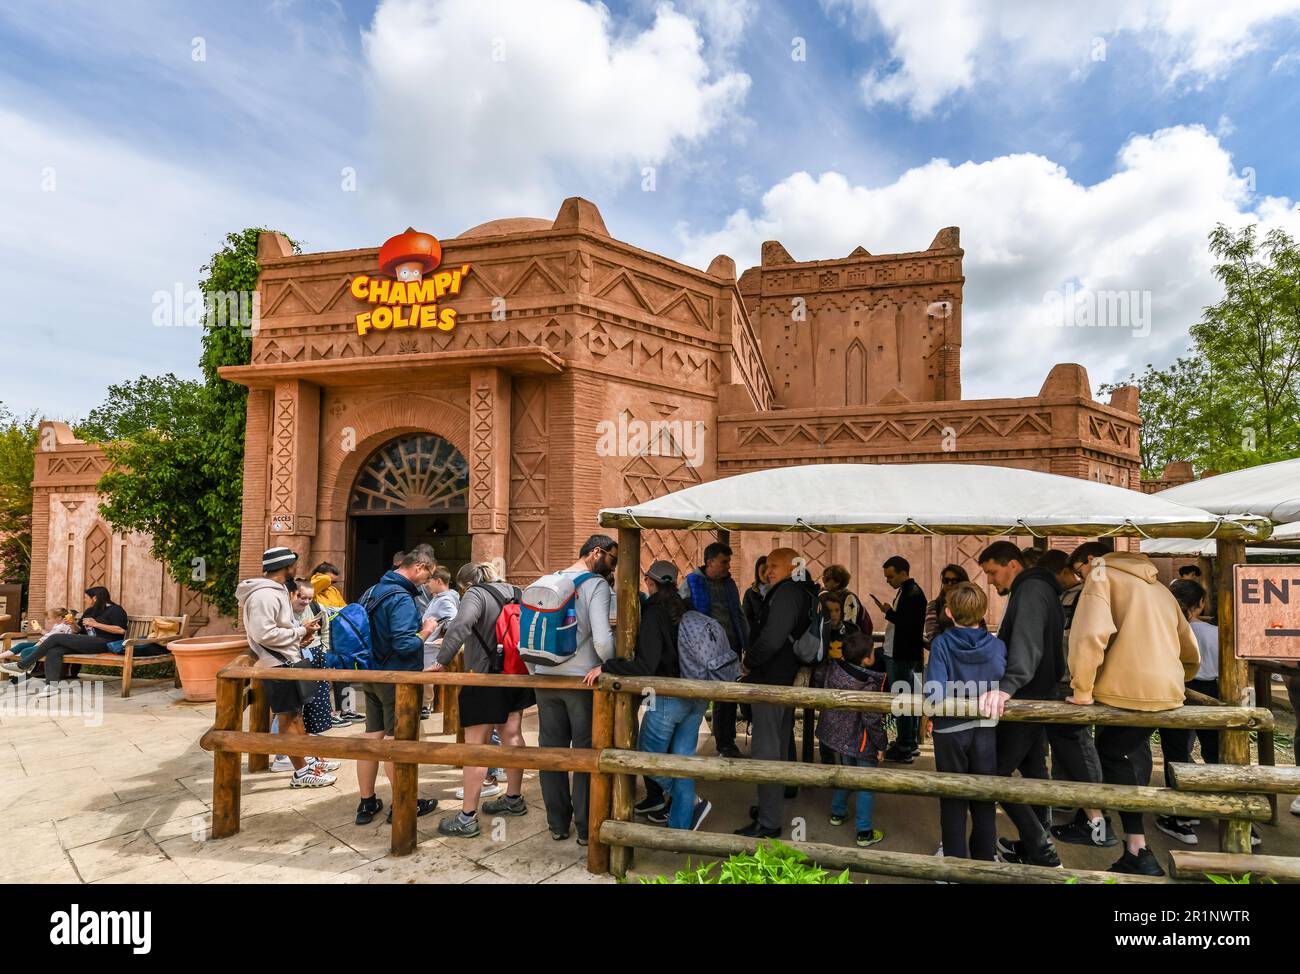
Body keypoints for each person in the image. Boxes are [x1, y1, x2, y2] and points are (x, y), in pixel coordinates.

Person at [1067, 549, 1200, 876]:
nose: (1078, 577)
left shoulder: (1100, 573)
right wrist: (1180, 676)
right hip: (1166, 688)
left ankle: (1136, 847)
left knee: (1110, 755)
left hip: (1127, 688)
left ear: (1090, 561)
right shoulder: (1159, 588)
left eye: (1077, 570)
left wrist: (1081, 689)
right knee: (1113, 753)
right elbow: (1189, 646)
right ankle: (1133, 844)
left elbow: (1089, 633)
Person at [587, 560, 713, 831]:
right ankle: (680, 828)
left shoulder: (654, 613)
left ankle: (690, 800)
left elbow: (645, 666)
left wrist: (607, 666)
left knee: (647, 757)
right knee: (682, 762)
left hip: (667, 697)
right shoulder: (686, 609)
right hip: (698, 694)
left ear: (649, 581)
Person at [975, 541, 1063, 868]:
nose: (990, 580)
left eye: (993, 572)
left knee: (993, 772)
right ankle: (1035, 844)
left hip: (1026, 696)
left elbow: (1026, 647)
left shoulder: (1029, 592)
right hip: (1039, 694)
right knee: (1035, 771)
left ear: (1013, 565)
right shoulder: (1040, 589)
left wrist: (1007, 686)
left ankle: (1042, 850)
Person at [432, 562, 531, 837]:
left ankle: (467, 817)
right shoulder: (515, 590)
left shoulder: (475, 595)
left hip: (484, 678)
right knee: (512, 736)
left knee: (476, 747)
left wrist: (441, 661)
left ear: (464, 584)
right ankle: (513, 799)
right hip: (515, 674)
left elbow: (462, 625)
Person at [531, 535, 618, 845]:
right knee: (583, 754)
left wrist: (537, 671)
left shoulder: (546, 579)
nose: (613, 566)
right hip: (582, 681)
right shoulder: (596, 586)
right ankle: (584, 828)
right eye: (612, 558)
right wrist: (612, 664)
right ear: (596, 552)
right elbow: (603, 641)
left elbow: (528, 636)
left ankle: (557, 824)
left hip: (544, 677)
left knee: (550, 753)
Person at [354, 545, 440, 826]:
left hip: (371, 675)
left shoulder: (372, 591)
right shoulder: (402, 598)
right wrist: (427, 629)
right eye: (427, 577)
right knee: (395, 741)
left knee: (372, 737)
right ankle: (404, 803)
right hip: (396, 680)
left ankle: (366, 803)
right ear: (419, 567)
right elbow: (404, 644)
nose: (426, 583)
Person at [735, 547, 818, 839]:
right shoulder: (804, 590)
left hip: (771, 679)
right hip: (784, 678)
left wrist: (749, 660)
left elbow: (771, 638)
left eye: (774, 566)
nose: (767, 571)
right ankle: (771, 804)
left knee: (766, 750)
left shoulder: (787, 593)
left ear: (792, 566)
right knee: (780, 744)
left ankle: (769, 822)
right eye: (767, 565)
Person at [236, 548, 334, 788]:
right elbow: (264, 633)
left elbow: (277, 628)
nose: (296, 569)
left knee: (295, 715)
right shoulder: (263, 596)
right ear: (287, 566)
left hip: (285, 659)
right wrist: (299, 631)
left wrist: (299, 638)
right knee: (287, 719)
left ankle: (306, 760)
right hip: (277, 663)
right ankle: (301, 772)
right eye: (293, 565)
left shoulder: (274, 592)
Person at [926, 582, 1006, 861]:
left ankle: (954, 859)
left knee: (952, 795)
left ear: (948, 612)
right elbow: (999, 677)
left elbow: (934, 691)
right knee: (984, 795)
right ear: (985, 611)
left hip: (949, 730)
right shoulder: (997, 646)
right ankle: (985, 857)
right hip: (985, 730)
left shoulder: (941, 644)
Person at [1043, 544, 1114, 848]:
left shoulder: (1083, 595)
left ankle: (1097, 823)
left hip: (1072, 681)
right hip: (1070, 680)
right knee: (1067, 744)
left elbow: (1077, 640)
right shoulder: (1073, 595)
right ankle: (1078, 807)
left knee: (1080, 745)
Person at [1154, 579, 1223, 846]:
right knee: (1214, 750)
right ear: (1201, 604)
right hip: (1214, 691)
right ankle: (1228, 810)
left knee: (1177, 750)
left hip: (1181, 688)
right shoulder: (1214, 632)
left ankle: (1181, 816)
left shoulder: (1168, 628)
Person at [817, 631, 887, 847]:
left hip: (840, 737)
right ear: (867, 659)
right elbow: (871, 719)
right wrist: (881, 744)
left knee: (847, 774)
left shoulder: (835, 670)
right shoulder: (868, 684)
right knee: (865, 784)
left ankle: (838, 812)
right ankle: (864, 832)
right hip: (862, 741)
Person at [680, 541, 747, 759]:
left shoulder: (729, 584)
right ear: (710, 562)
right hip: (704, 652)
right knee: (703, 697)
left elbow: (738, 614)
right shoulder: (692, 583)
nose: (728, 566)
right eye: (724, 562)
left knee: (727, 698)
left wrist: (745, 642)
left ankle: (726, 743)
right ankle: (687, 747)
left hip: (731, 648)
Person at [12, 586, 130, 696]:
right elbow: (78, 630)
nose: (84, 600)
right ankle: (51, 686)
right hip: (86, 642)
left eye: (86, 598)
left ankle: (23, 665)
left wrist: (96, 624)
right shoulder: (90, 611)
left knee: (55, 637)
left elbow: (120, 631)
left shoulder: (116, 610)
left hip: (105, 643)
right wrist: (72, 624)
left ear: (95, 598)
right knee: (55, 650)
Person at [870, 556, 927, 763]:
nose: (888, 581)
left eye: (890, 576)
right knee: (906, 701)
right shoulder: (908, 592)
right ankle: (908, 742)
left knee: (902, 702)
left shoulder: (912, 594)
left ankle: (904, 745)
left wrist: (888, 612)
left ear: (903, 572)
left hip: (901, 655)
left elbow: (908, 625)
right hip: (901, 654)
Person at [420, 567, 460, 719]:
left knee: (427, 676)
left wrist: (445, 638)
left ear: (438, 581)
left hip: (432, 647)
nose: (426, 584)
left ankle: (426, 706)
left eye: (429, 581)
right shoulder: (441, 597)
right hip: (430, 645)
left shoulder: (445, 599)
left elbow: (454, 620)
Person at [0, 607, 77, 672]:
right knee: (22, 645)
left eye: (49, 618)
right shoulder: (58, 625)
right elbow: (49, 635)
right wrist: (40, 630)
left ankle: (26, 666)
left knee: (26, 651)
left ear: (59, 618)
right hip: (46, 644)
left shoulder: (62, 627)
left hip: (52, 647)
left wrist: (38, 643)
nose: (47, 620)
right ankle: (1, 656)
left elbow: (50, 638)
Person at [923, 564, 972, 649]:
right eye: (946, 580)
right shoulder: (934, 605)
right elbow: (933, 637)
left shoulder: (971, 605)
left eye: (954, 581)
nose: (950, 584)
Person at [822, 564, 871, 634]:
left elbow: (849, 626)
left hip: (847, 642)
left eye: (827, 579)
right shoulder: (826, 596)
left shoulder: (849, 597)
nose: (823, 581)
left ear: (837, 582)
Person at [743, 555, 768, 637]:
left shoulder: (780, 590)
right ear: (757, 574)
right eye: (763, 572)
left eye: (768, 571)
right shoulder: (750, 594)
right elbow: (746, 618)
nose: (766, 575)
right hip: (757, 637)